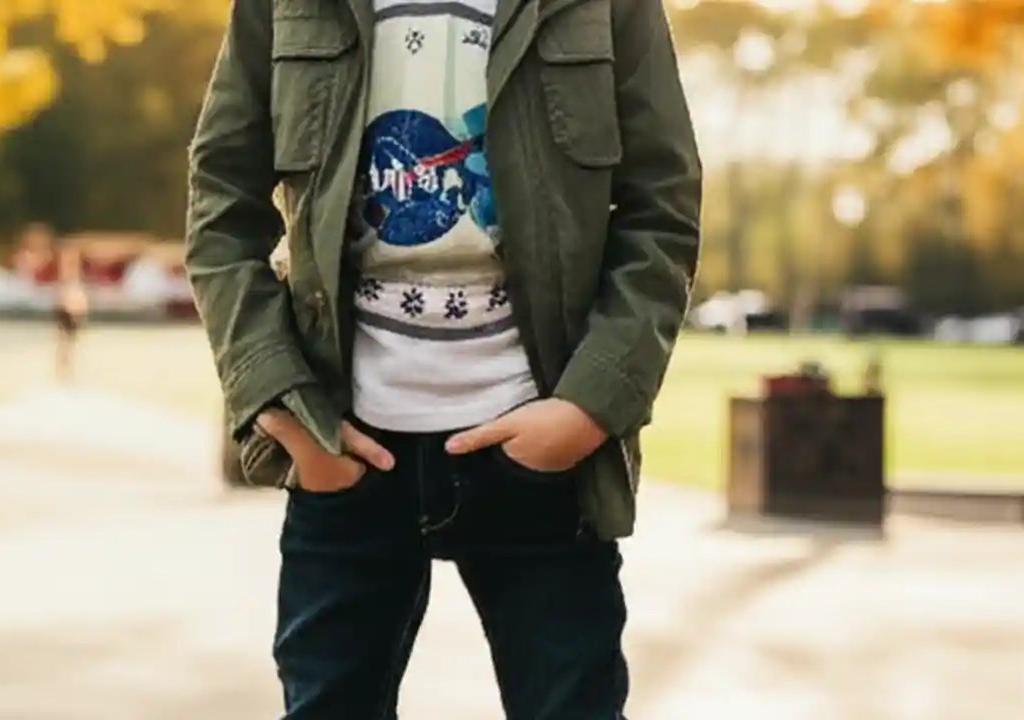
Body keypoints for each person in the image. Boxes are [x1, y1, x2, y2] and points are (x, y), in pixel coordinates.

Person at [187, 0, 701, 717]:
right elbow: (221, 199)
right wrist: (284, 404)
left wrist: (588, 408)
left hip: (543, 453)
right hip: (347, 448)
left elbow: (661, 207)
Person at [53, 240, 89, 383]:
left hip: (72, 304)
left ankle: (66, 369)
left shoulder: (73, 274)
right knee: (65, 340)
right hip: (68, 304)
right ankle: (64, 369)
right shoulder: (67, 274)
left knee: (69, 341)